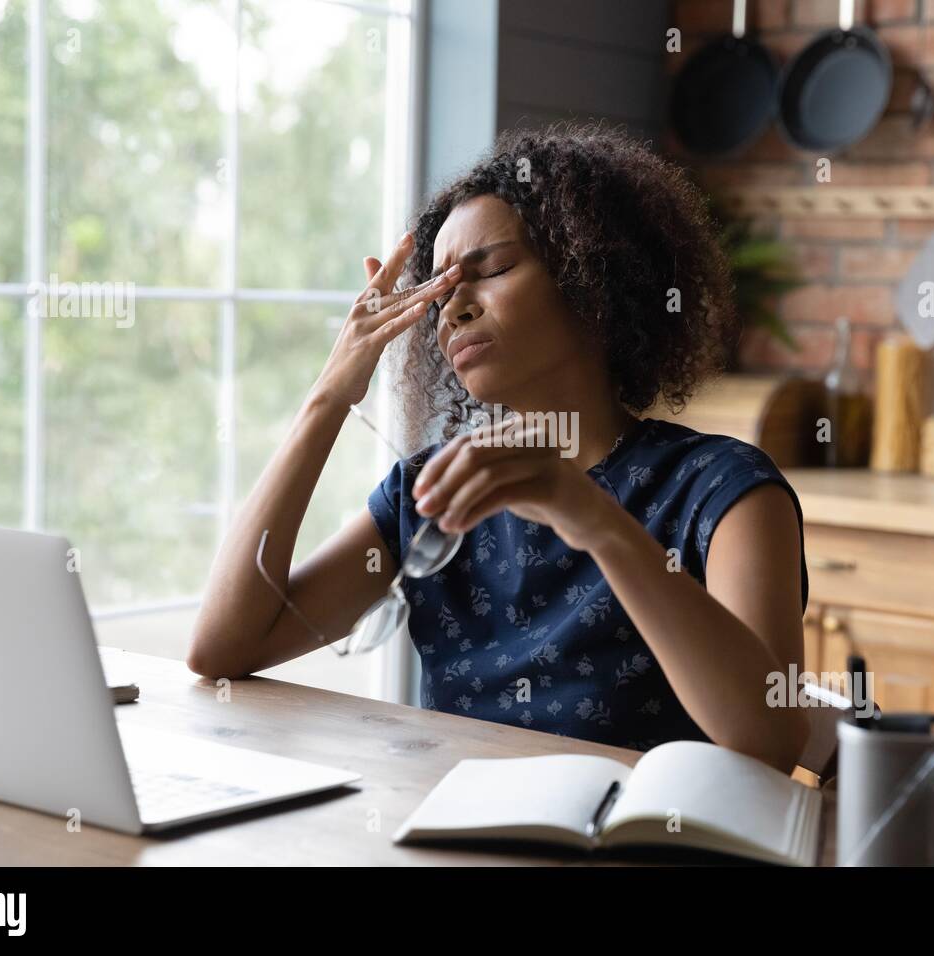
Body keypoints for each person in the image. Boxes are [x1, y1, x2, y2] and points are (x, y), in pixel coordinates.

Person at [189, 125, 810, 772]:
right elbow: (222, 650)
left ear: (590, 275)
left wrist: (591, 518)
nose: (453, 307)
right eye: (438, 291)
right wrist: (328, 396)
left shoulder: (723, 488)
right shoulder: (433, 491)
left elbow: (771, 736)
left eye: (490, 270)